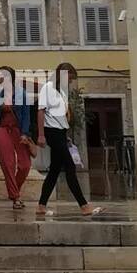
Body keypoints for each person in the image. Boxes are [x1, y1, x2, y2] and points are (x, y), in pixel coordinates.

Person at [36, 62, 103, 217]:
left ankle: (41, 206)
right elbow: (40, 111)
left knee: (54, 171)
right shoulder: (48, 88)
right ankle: (84, 205)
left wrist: (65, 134)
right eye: (70, 78)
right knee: (70, 167)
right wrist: (40, 134)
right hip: (51, 132)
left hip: (60, 132)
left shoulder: (62, 93)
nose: (71, 82)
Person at [0, 66, 38, 210]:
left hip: (18, 130)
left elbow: (26, 115)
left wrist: (25, 133)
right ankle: (16, 197)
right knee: (8, 164)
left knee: (25, 165)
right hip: (2, 129)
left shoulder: (21, 93)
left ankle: (13, 190)